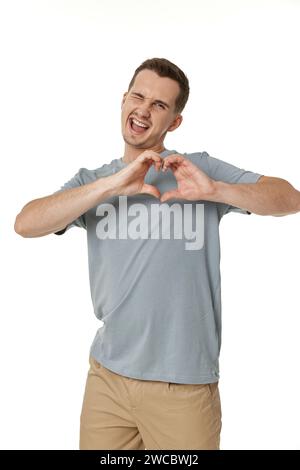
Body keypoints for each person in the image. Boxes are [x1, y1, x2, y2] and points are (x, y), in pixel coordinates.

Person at [14, 58, 300, 450]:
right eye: (138, 96)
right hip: (107, 380)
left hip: (182, 386)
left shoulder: (198, 170)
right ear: (123, 100)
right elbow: (26, 223)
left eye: (160, 105)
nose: (144, 110)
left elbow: (289, 198)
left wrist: (216, 190)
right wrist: (110, 185)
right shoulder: (93, 182)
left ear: (174, 122)